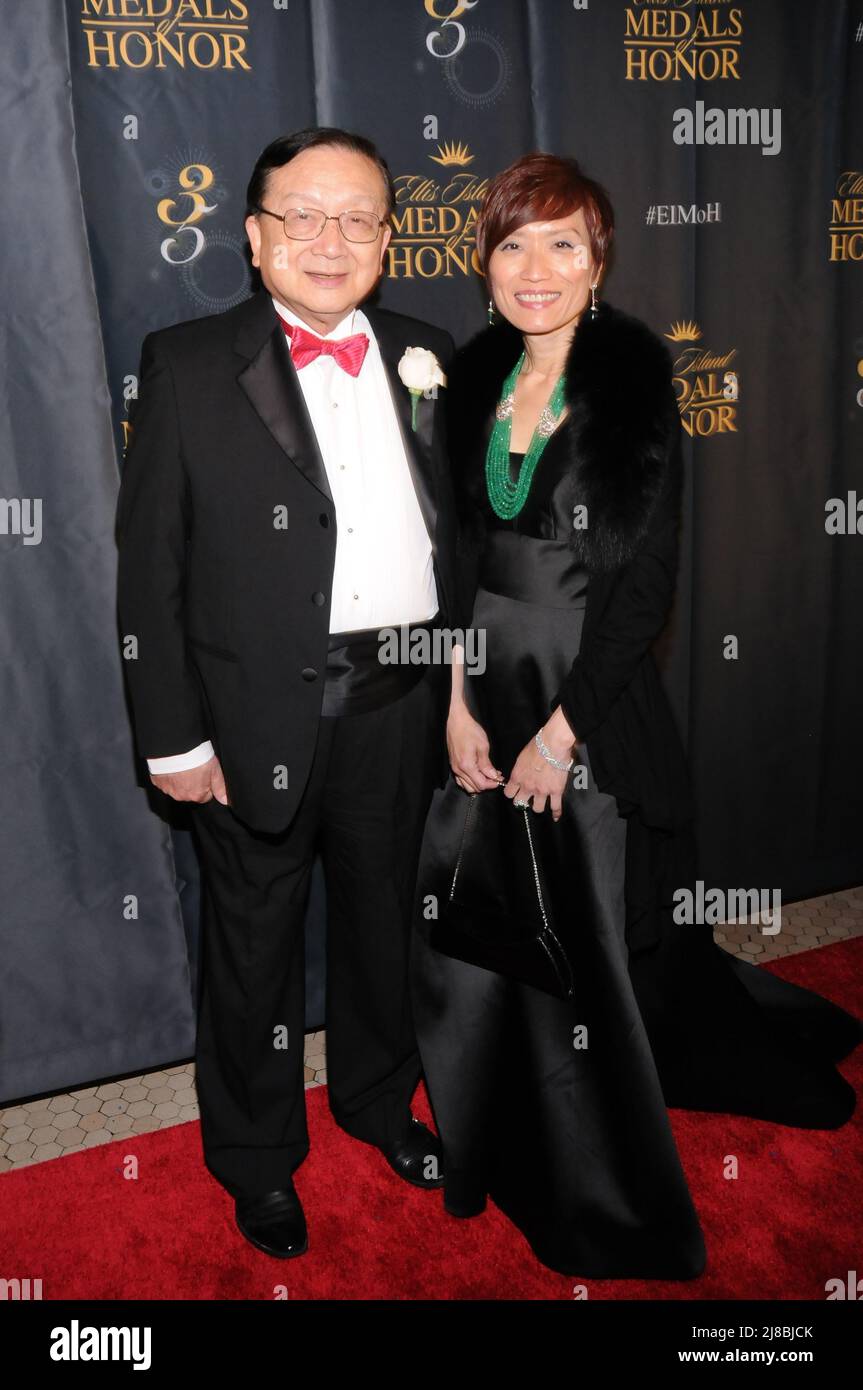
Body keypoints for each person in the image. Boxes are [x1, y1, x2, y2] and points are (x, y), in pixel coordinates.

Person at [411, 152, 863, 1279]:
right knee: (493, 930)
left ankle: (601, 1183)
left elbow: (642, 590)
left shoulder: (631, 385)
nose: (535, 267)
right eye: (512, 242)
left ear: (598, 261)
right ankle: (500, 1130)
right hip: (485, 680)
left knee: (592, 946)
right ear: (484, 262)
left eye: (561, 242)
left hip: (584, 697)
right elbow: (454, 563)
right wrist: (459, 705)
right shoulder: (468, 382)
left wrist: (559, 735)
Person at [116, 128, 459, 1259]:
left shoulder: (426, 351)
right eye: (302, 216)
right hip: (250, 716)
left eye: (358, 217)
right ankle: (258, 1159)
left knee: (383, 930)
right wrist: (171, 739)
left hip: (400, 708)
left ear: (387, 240)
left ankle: (375, 1098)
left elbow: (455, 542)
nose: (331, 239)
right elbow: (149, 569)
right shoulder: (185, 359)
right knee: (254, 946)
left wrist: (461, 689)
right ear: (256, 238)